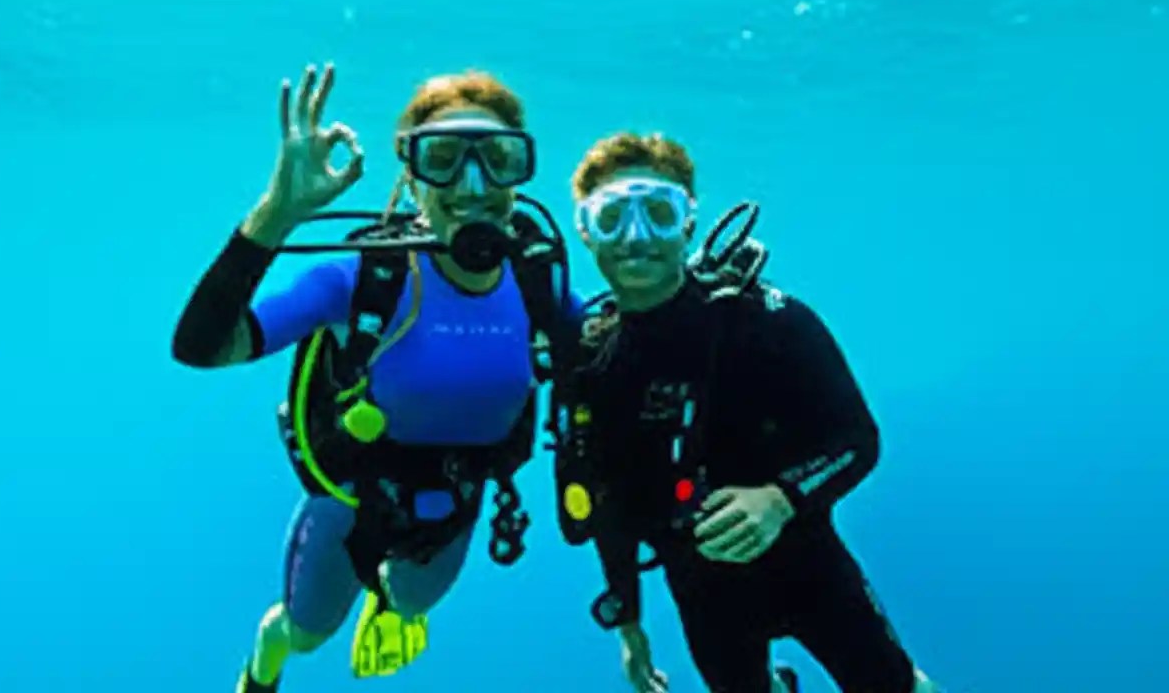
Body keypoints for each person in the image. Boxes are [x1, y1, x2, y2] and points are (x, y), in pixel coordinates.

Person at [172, 61, 580, 692]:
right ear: (412, 179)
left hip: (456, 506)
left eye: (498, 156)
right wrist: (276, 215)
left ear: (519, 174)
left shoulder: (541, 285)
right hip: (349, 506)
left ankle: (389, 605)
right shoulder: (363, 282)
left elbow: (626, 355)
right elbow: (201, 347)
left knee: (412, 605)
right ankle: (262, 666)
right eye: (441, 157)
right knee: (305, 633)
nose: (472, 183)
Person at [548, 132, 942, 692]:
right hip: (705, 598)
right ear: (585, 230)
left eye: (658, 213)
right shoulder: (589, 358)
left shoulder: (767, 321)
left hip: (811, 570)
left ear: (688, 221)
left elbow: (857, 438)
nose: (636, 237)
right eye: (612, 217)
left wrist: (780, 499)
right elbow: (603, 503)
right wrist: (630, 631)